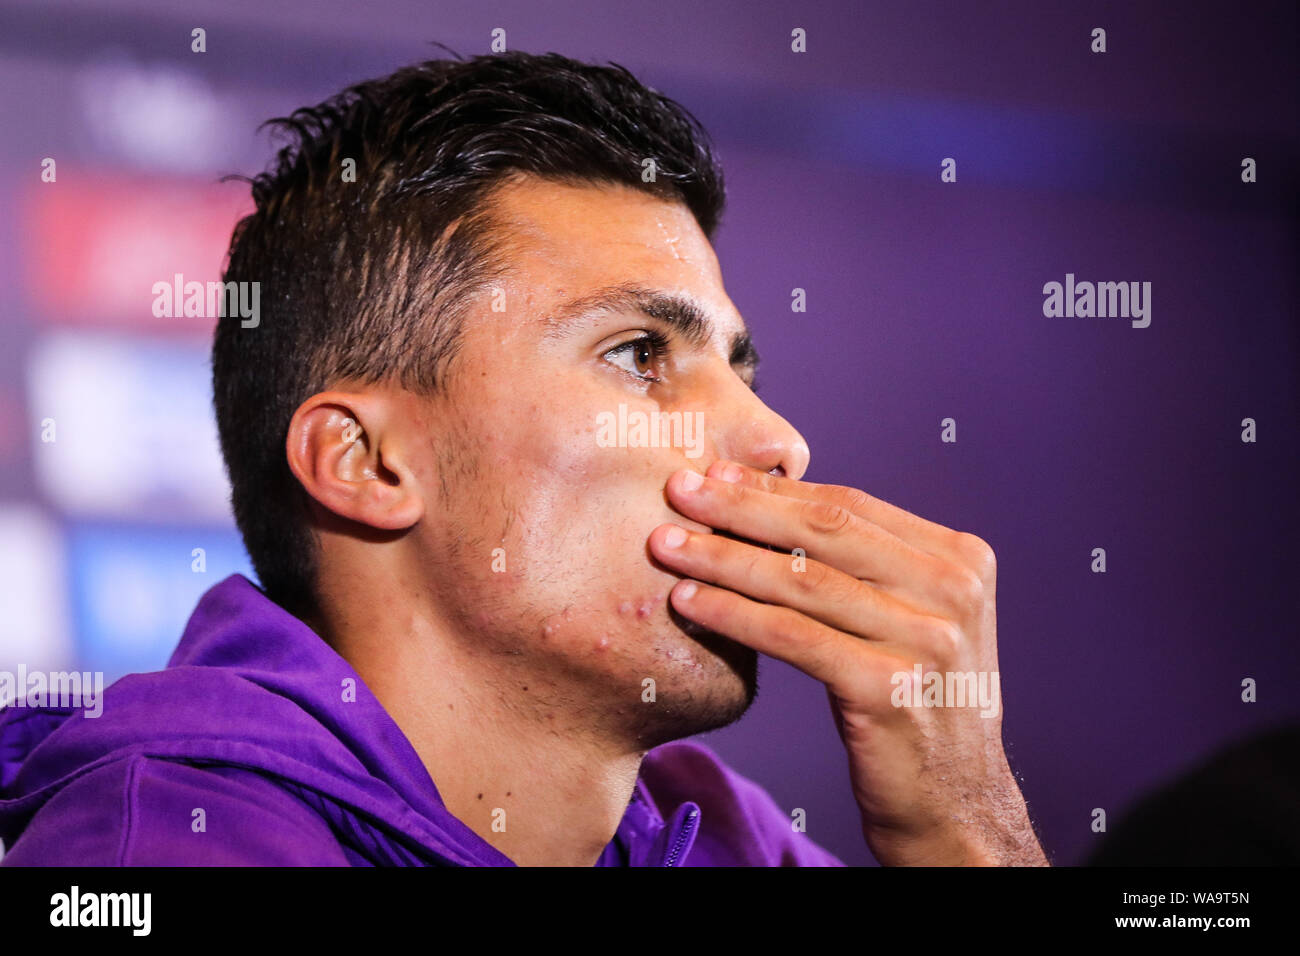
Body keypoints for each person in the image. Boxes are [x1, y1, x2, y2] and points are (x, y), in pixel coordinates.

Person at [0, 50, 1047, 866]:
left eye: (740, 368)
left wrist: (967, 829)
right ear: (366, 462)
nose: (777, 442)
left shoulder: (725, 832)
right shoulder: (163, 841)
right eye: (640, 353)